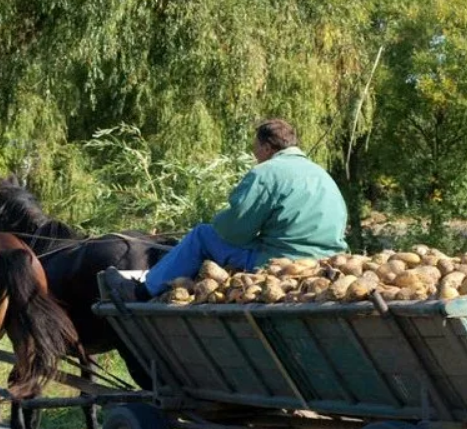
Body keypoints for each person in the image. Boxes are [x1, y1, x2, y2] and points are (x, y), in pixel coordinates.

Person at [117, 118, 348, 301]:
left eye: (255, 147)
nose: (254, 154)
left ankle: (143, 291)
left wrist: (218, 220)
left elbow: (234, 230)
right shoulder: (321, 174)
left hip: (280, 261)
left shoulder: (267, 172)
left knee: (202, 234)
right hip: (329, 261)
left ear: (267, 147)